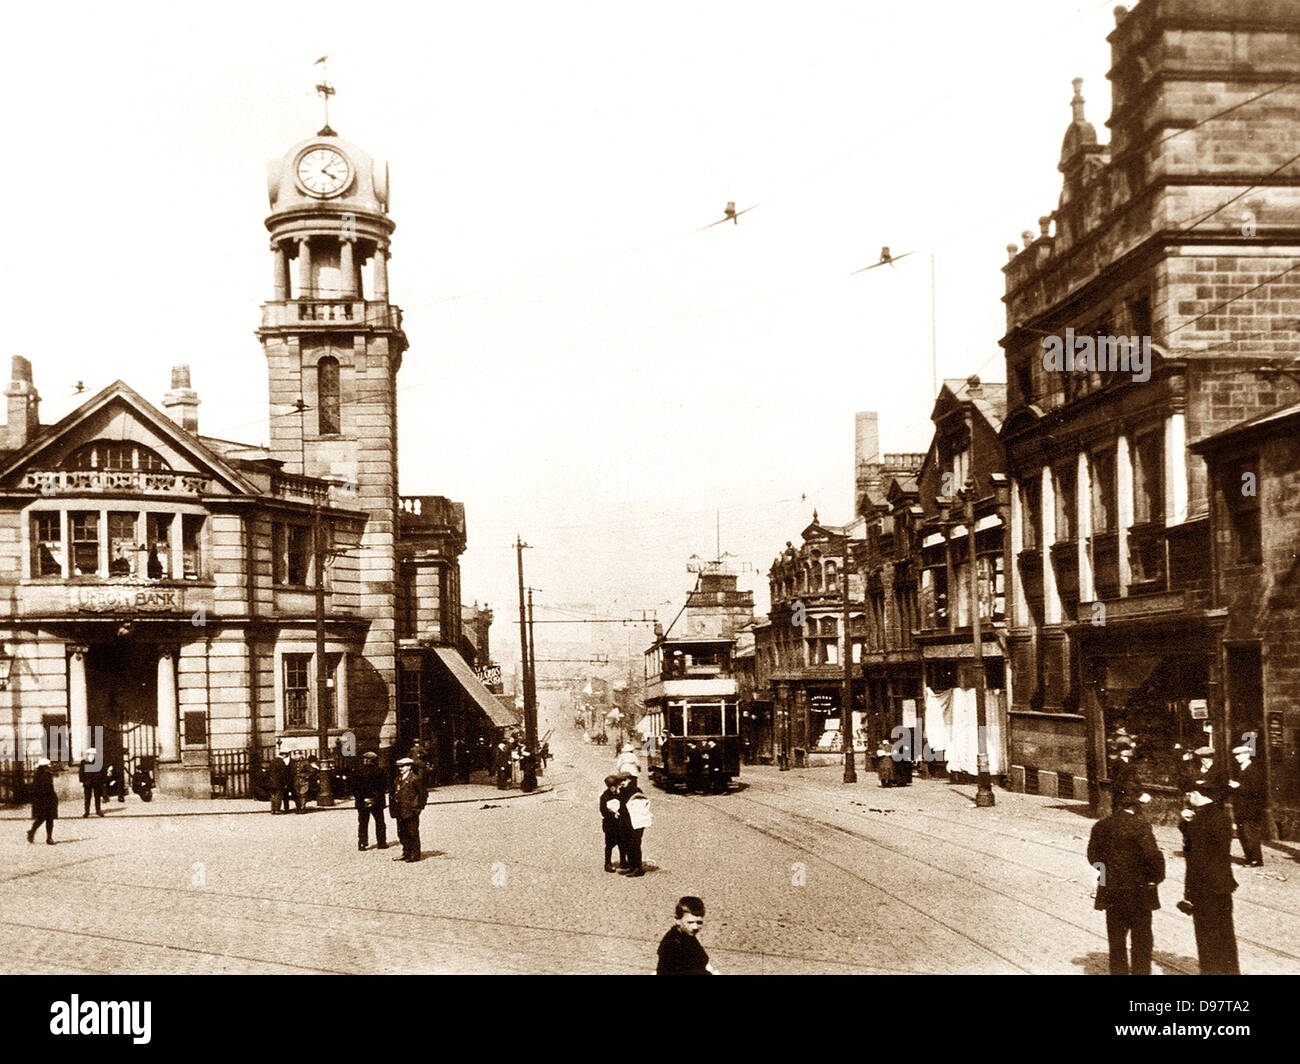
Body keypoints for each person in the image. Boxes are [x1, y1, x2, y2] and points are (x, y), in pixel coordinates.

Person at [1086, 791, 1165, 975]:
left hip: (1111, 890)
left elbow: (1093, 857)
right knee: (1142, 938)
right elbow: (1152, 856)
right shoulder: (1141, 825)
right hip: (1139, 891)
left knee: (1116, 940)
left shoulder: (1101, 826)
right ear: (1134, 806)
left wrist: (1106, 873)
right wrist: (1155, 877)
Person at [1181, 785, 1241, 975]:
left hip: (1203, 887)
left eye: (1190, 794)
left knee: (1206, 935)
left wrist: (1188, 894)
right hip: (1223, 883)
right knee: (1225, 931)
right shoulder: (1223, 817)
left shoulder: (1198, 822)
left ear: (1198, 796)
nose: (1189, 798)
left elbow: (1194, 859)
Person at [656, 896, 716, 974]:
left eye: (699, 922)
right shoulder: (672, 945)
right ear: (677, 920)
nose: (695, 927)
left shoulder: (686, 935)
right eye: (690, 922)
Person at [1229, 742, 1265, 867]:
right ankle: (1250, 858)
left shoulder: (1253, 770)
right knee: (1242, 833)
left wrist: (1238, 786)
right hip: (1241, 808)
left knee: (1250, 834)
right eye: (1236, 755)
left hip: (1250, 809)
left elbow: (1255, 790)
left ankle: (1256, 859)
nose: (1236, 757)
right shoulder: (1241, 769)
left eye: (1238, 755)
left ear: (1246, 755)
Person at [390, 757, 427, 862]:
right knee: (402, 832)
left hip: (411, 810)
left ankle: (415, 854)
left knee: (412, 832)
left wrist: (418, 807)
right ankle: (406, 852)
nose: (400, 768)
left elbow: (423, 794)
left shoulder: (415, 778)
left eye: (403, 766)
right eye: (399, 766)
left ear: (409, 767)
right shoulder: (398, 779)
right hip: (400, 810)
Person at [353, 751, 389, 851]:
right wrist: (374, 797)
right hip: (377, 801)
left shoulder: (358, 771)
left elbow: (354, 788)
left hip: (362, 801)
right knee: (380, 822)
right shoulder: (380, 771)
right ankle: (381, 842)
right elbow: (383, 787)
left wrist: (363, 798)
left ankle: (362, 843)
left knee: (363, 822)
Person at [616, 769, 648, 877]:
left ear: (629, 779)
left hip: (636, 823)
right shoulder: (624, 790)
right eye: (620, 781)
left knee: (635, 844)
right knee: (628, 844)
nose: (621, 782)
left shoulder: (635, 790)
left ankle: (638, 868)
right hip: (627, 822)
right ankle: (631, 866)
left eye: (623, 780)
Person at [27, 758, 58, 845]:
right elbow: (37, 789)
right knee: (41, 819)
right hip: (42, 800)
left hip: (48, 799)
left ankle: (49, 838)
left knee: (49, 819)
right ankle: (32, 832)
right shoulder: (39, 775)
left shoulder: (47, 774)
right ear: (44, 767)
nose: (50, 767)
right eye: (48, 766)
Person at [599, 774, 624, 872]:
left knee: (622, 843)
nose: (617, 788)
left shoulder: (619, 794)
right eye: (616, 786)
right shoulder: (604, 796)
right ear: (611, 787)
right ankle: (607, 864)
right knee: (609, 844)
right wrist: (612, 814)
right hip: (610, 825)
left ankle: (623, 861)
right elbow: (603, 811)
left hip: (620, 824)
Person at [79, 748, 105, 818]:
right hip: (87, 782)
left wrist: (101, 780)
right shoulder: (83, 762)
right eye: (91, 754)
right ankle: (87, 811)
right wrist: (81, 781)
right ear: (88, 754)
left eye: (94, 754)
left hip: (96, 782)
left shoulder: (98, 762)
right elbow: (81, 772)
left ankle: (98, 810)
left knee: (97, 797)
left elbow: (101, 772)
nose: (92, 755)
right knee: (87, 797)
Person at [267, 750, 293, 814]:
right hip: (279, 783)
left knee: (273, 796)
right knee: (278, 796)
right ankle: (277, 809)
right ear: (283, 755)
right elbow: (283, 774)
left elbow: (268, 771)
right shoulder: (281, 762)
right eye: (286, 755)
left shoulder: (273, 761)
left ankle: (273, 809)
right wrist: (285, 783)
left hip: (271, 782)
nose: (286, 757)